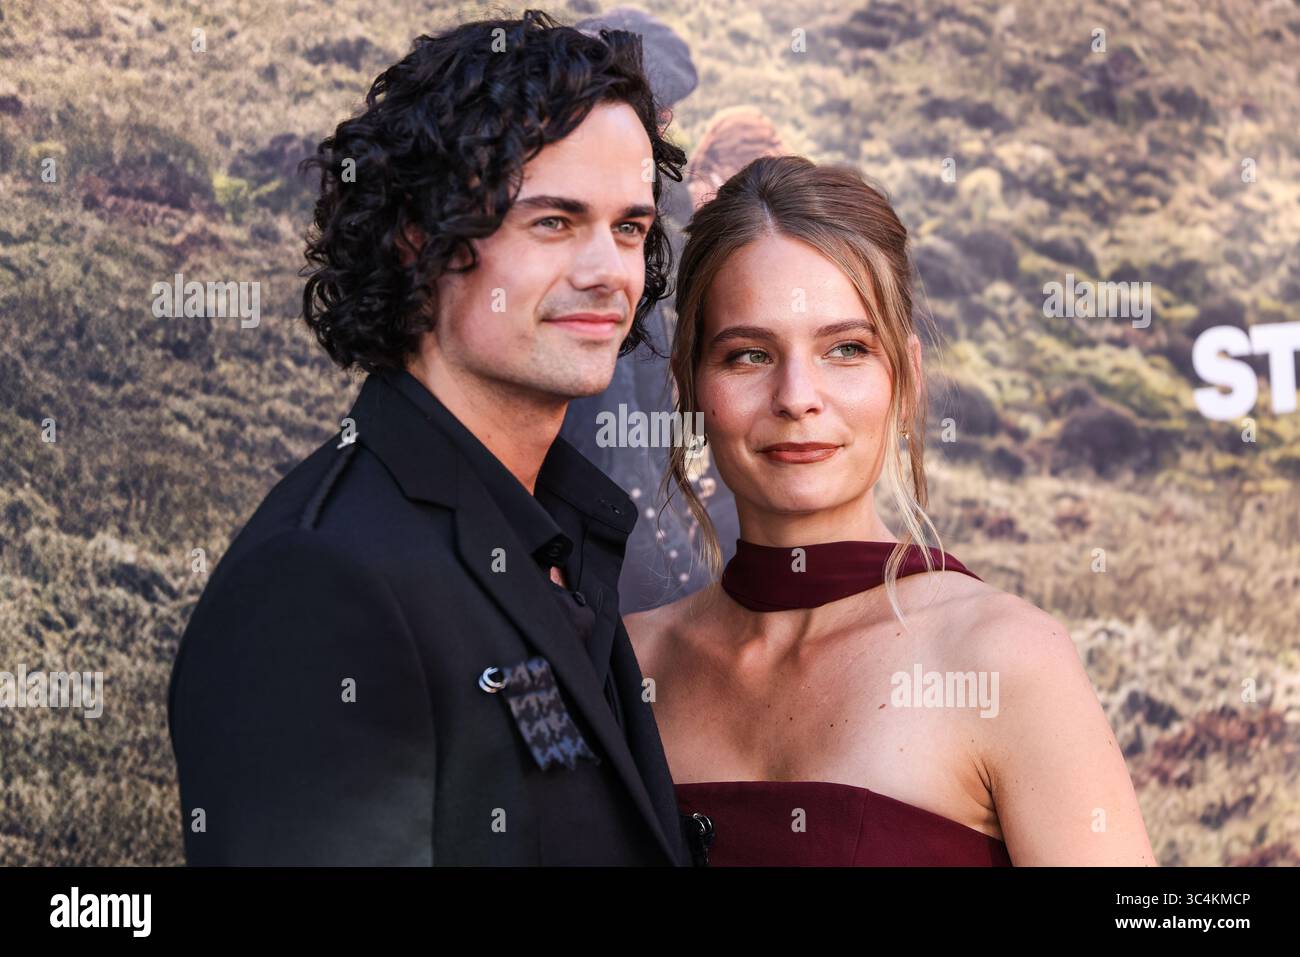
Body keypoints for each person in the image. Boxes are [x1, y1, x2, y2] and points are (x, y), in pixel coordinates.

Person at [167, 10, 695, 866]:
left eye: (629, 227)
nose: (609, 272)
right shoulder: (317, 586)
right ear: (420, 237)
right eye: (553, 222)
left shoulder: (566, 536)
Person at [626, 155, 1158, 866]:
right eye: (749, 355)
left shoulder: (1002, 657)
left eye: (846, 349)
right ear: (691, 385)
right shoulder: (628, 666)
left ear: (902, 380)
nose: (797, 396)